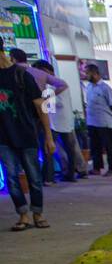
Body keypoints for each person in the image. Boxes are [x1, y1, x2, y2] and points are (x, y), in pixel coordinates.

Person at [0, 37, 55, 230]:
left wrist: (48, 136)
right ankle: (23, 214)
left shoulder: (21, 75)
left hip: (26, 133)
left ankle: (38, 213)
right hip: (4, 138)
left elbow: (40, 106)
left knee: (34, 176)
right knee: (12, 177)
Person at [8, 48, 68, 186]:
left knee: (22, 147)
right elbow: (62, 84)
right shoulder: (39, 73)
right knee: (44, 146)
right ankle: (47, 178)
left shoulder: (14, 73)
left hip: (22, 114)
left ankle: (25, 179)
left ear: (13, 58)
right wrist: (48, 96)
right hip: (40, 112)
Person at [32, 60, 79, 183]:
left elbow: (59, 104)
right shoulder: (55, 84)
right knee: (68, 150)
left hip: (56, 122)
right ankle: (67, 175)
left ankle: (50, 177)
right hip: (61, 121)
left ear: (45, 71)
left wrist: (44, 102)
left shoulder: (54, 85)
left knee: (50, 150)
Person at [83, 64, 112, 176]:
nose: (86, 75)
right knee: (95, 146)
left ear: (95, 73)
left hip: (104, 122)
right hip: (92, 122)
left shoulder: (105, 88)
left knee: (108, 147)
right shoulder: (89, 87)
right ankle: (97, 168)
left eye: (87, 73)